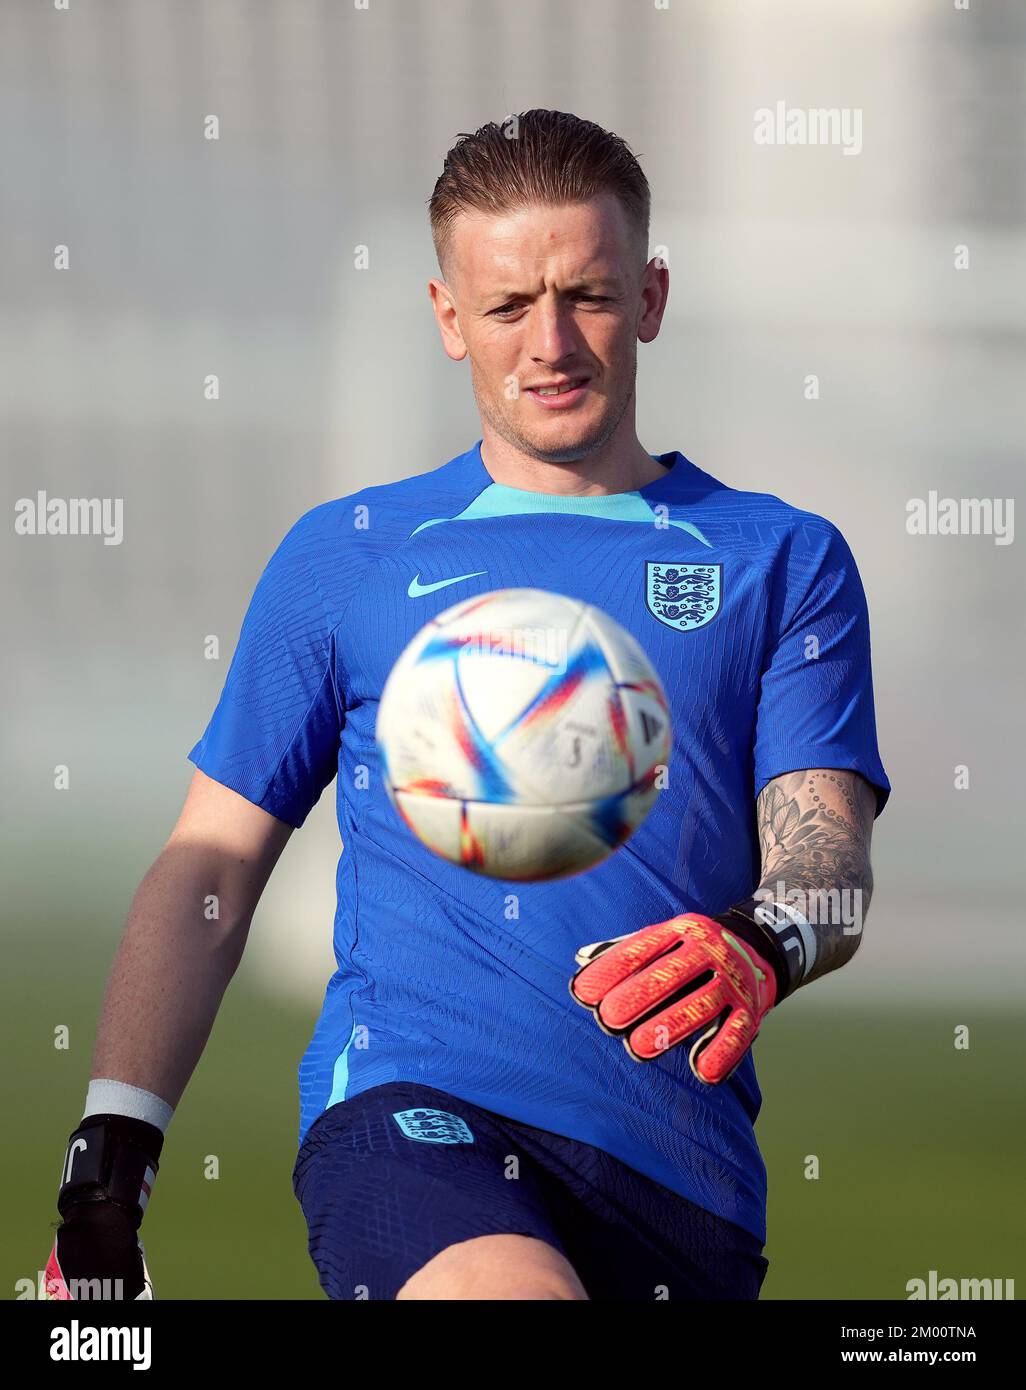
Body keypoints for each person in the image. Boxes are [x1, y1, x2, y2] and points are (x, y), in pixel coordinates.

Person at [45, 109, 888, 1302]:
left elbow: (830, 860)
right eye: (507, 308)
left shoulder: (783, 558)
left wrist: (768, 938)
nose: (551, 342)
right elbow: (210, 864)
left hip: (680, 1173)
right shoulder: (346, 556)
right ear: (450, 321)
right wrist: (111, 1155)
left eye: (587, 295)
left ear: (649, 297)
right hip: (409, 1110)